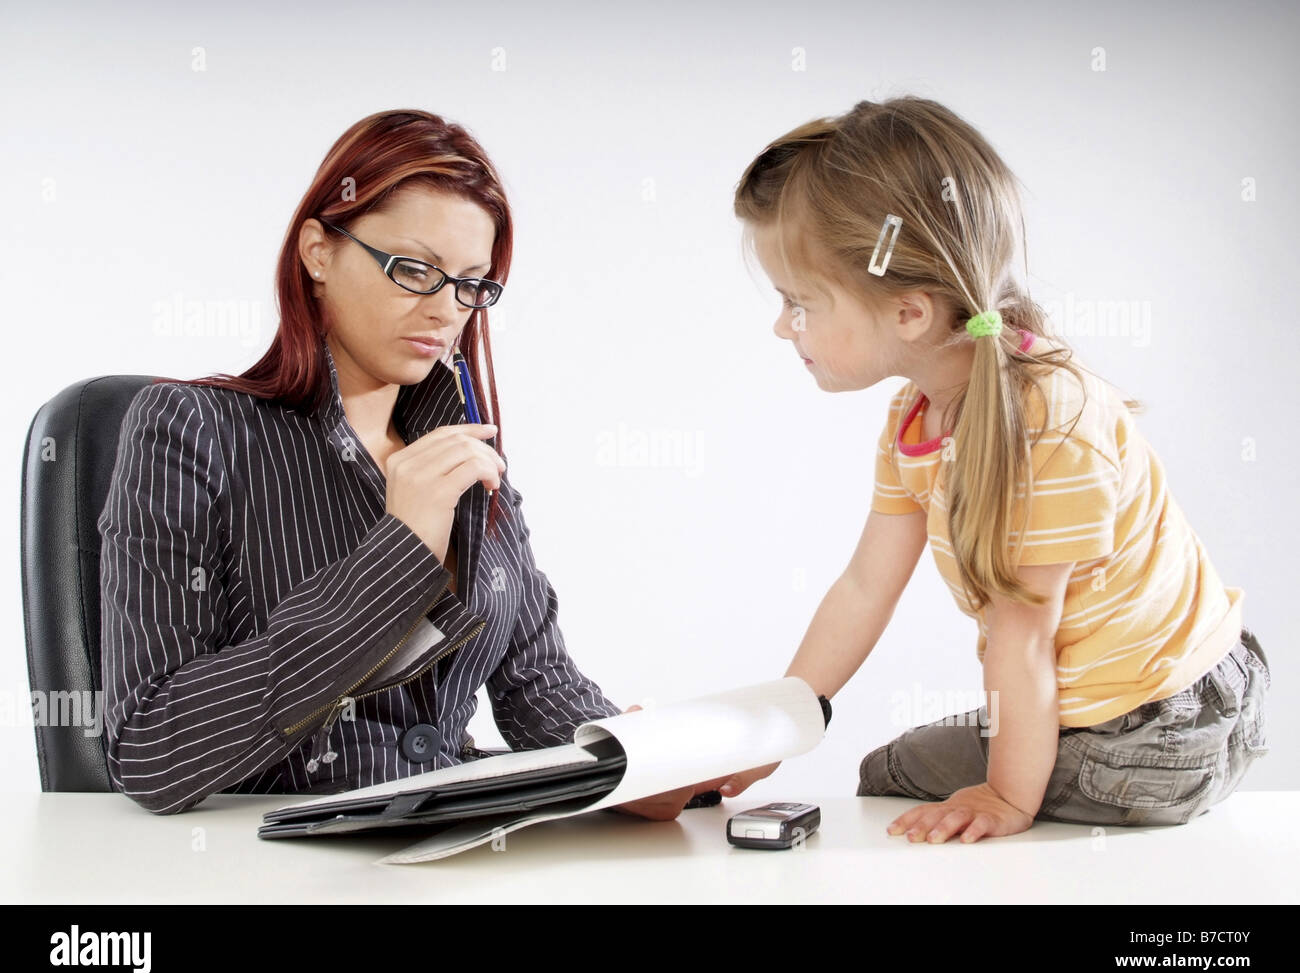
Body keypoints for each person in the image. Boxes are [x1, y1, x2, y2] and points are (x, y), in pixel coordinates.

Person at [98, 108, 721, 818]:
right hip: (267, 867)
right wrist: (401, 547)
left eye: (470, 283)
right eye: (415, 269)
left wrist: (634, 763)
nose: (445, 310)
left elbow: (536, 683)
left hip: (451, 846)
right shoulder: (191, 428)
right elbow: (150, 748)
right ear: (317, 251)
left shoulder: (465, 451)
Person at [714, 96, 1270, 842]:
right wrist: (771, 731)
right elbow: (863, 587)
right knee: (893, 770)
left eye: (800, 303)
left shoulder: (1050, 421)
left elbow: (1024, 637)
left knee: (890, 777)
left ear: (910, 313)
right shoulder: (915, 417)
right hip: (1119, 705)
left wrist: (1007, 796)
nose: (784, 326)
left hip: (1159, 727)